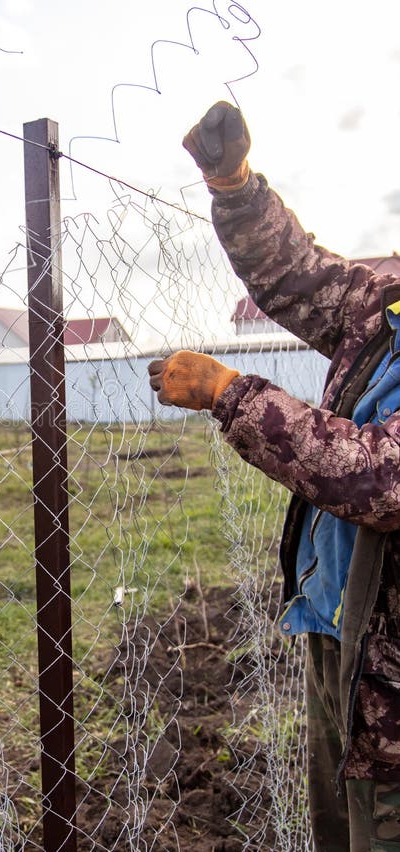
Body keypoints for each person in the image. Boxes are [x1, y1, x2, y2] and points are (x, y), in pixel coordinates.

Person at [148, 101, 400, 852]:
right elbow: (300, 276)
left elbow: (378, 477)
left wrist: (230, 394)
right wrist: (235, 185)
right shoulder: (386, 303)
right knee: (340, 827)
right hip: (347, 645)